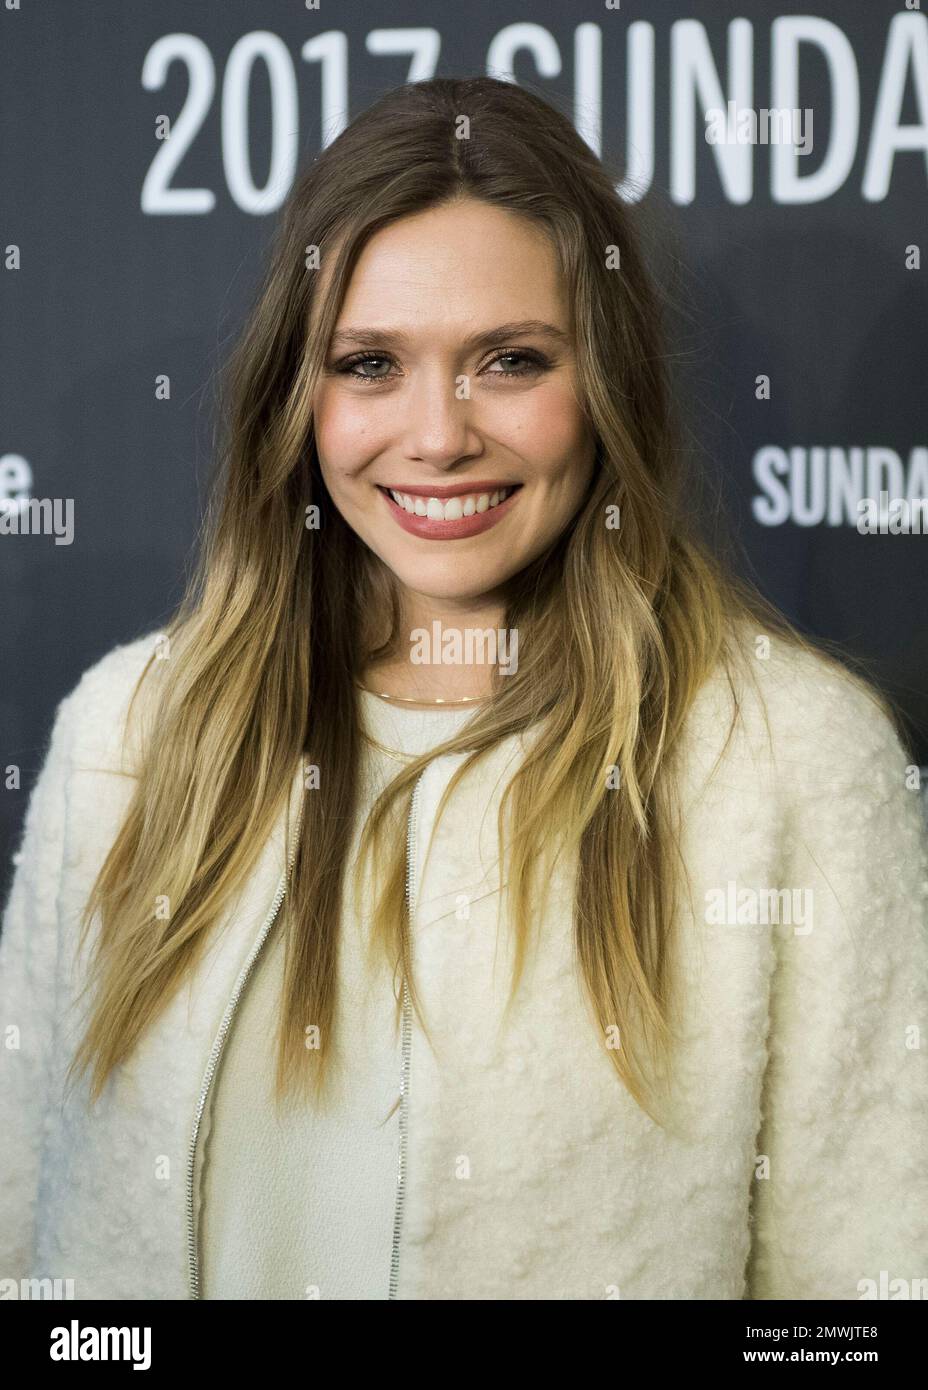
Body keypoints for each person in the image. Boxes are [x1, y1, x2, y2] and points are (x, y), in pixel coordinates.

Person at [1, 75, 926, 1302]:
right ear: (298, 395)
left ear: (606, 386)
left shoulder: (794, 764)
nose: (437, 435)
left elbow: (863, 1296)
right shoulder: (125, 735)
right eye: (371, 362)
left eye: (509, 360)